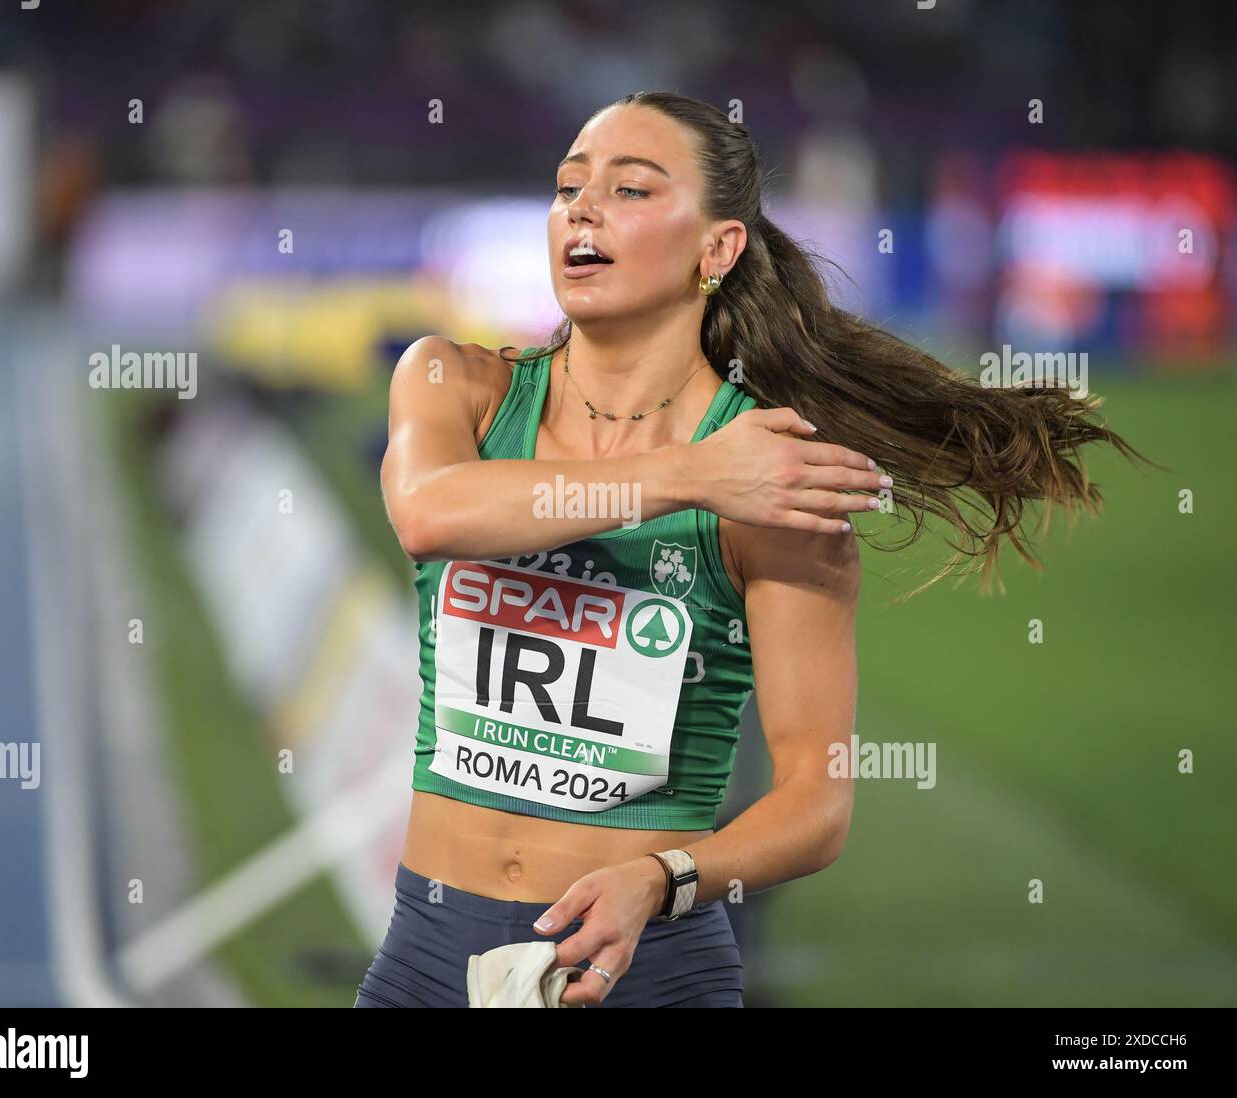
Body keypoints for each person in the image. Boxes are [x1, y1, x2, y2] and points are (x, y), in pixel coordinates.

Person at [355, 91, 1142, 1008]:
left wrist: (666, 878)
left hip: (641, 975)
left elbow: (818, 801)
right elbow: (428, 511)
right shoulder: (458, 383)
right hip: (423, 959)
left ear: (717, 249)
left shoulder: (774, 482)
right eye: (570, 186)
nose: (582, 208)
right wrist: (689, 475)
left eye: (632, 190)